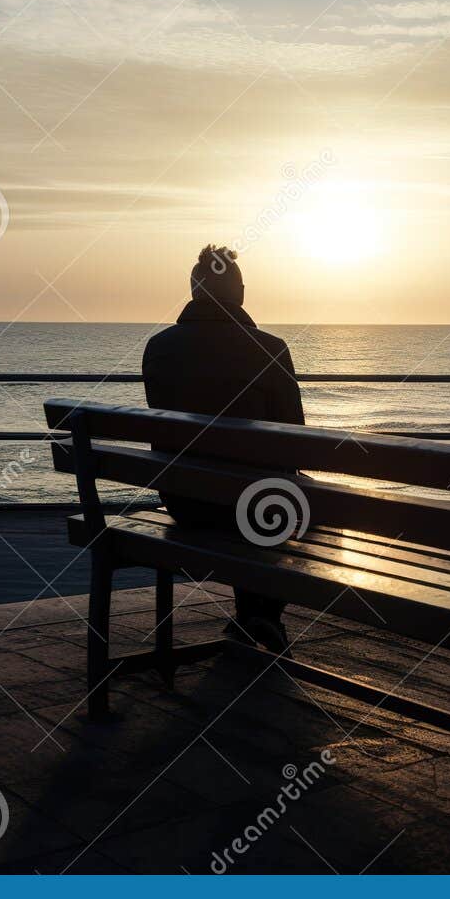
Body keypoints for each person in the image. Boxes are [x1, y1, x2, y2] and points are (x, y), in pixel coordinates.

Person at [141, 244, 303, 652]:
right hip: (254, 510)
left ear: (195, 290)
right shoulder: (270, 348)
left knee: (249, 496)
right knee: (303, 505)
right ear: (241, 293)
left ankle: (253, 618)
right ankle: (262, 615)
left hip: (183, 501)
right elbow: (297, 443)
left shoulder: (158, 348)